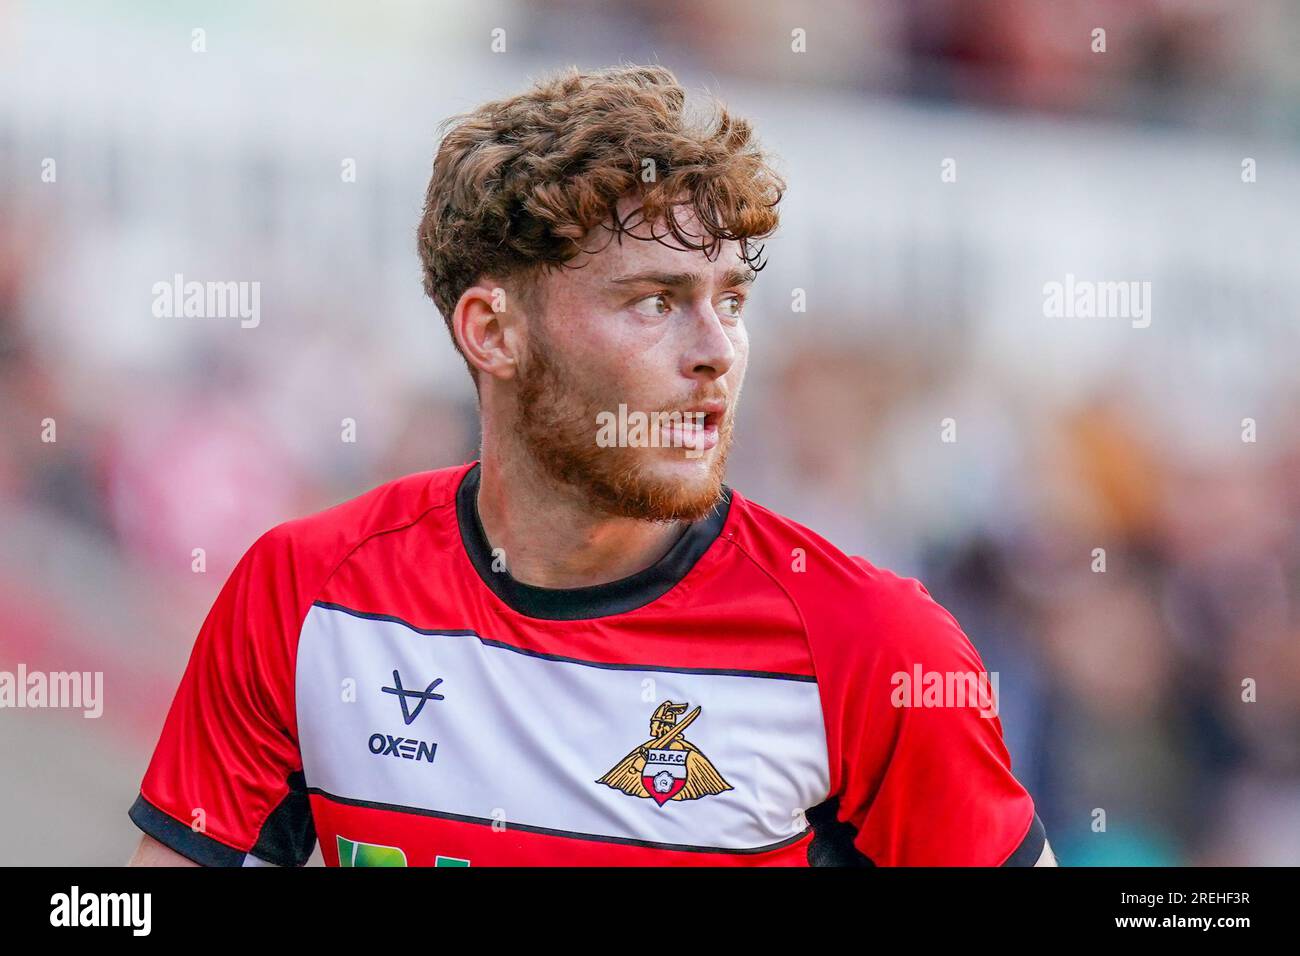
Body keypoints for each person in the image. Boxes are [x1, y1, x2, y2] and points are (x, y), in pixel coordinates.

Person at [128, 64, 1054, 867]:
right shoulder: (303, 595)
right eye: (656, 301)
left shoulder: (873, 645)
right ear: (493, 332)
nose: (717, 351)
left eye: (731, 301)